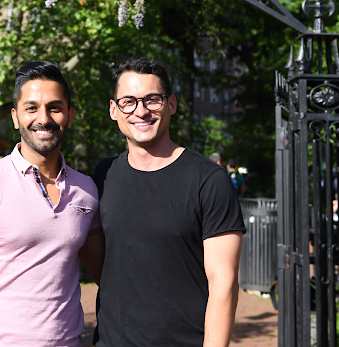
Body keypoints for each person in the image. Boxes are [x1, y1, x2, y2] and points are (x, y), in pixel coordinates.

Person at [0, 61, 105, 347]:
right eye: (31, 108)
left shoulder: (86, 189)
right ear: (15, 117)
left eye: (55, 107)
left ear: (69, 115)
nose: (44, 118)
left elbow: (107, 274)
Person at [92, 57, 246, 346]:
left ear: (171, 104)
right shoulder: (103, 175)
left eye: (153, 99)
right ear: (114, 110)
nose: (141, 111)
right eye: (128, 101)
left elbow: (224, 284)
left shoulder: (209, 180)